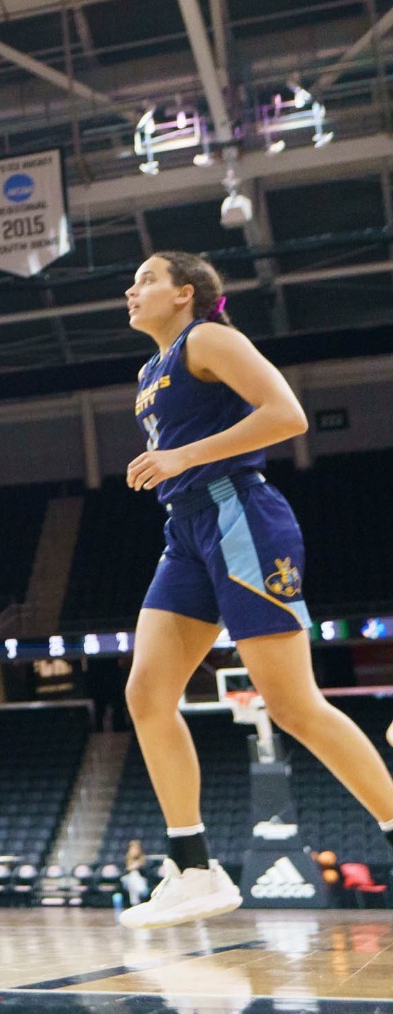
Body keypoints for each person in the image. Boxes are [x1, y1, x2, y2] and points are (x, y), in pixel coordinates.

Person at [119, 252, 393, 928]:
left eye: (148, 278)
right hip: (185, 531)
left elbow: (288, 413)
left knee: (293, 704)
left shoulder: (209, 338)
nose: (133, 288)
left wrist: (184, 455)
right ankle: (194, 868)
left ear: (186, 293)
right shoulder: (148, 373)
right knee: (147, 693)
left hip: (239, 513)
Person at [122, 838, 152, 908]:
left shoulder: (144, 860)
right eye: (133, 848)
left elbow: (147, 874)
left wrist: (139, 867)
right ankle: (137, 900)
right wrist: (130, 869)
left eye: (136, 849)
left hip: (141, 881)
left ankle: (134, 903)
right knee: (132, 876)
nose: (134, 851)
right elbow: (122, 874)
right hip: (126, 881)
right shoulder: (125, 860)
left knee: (134, 879)